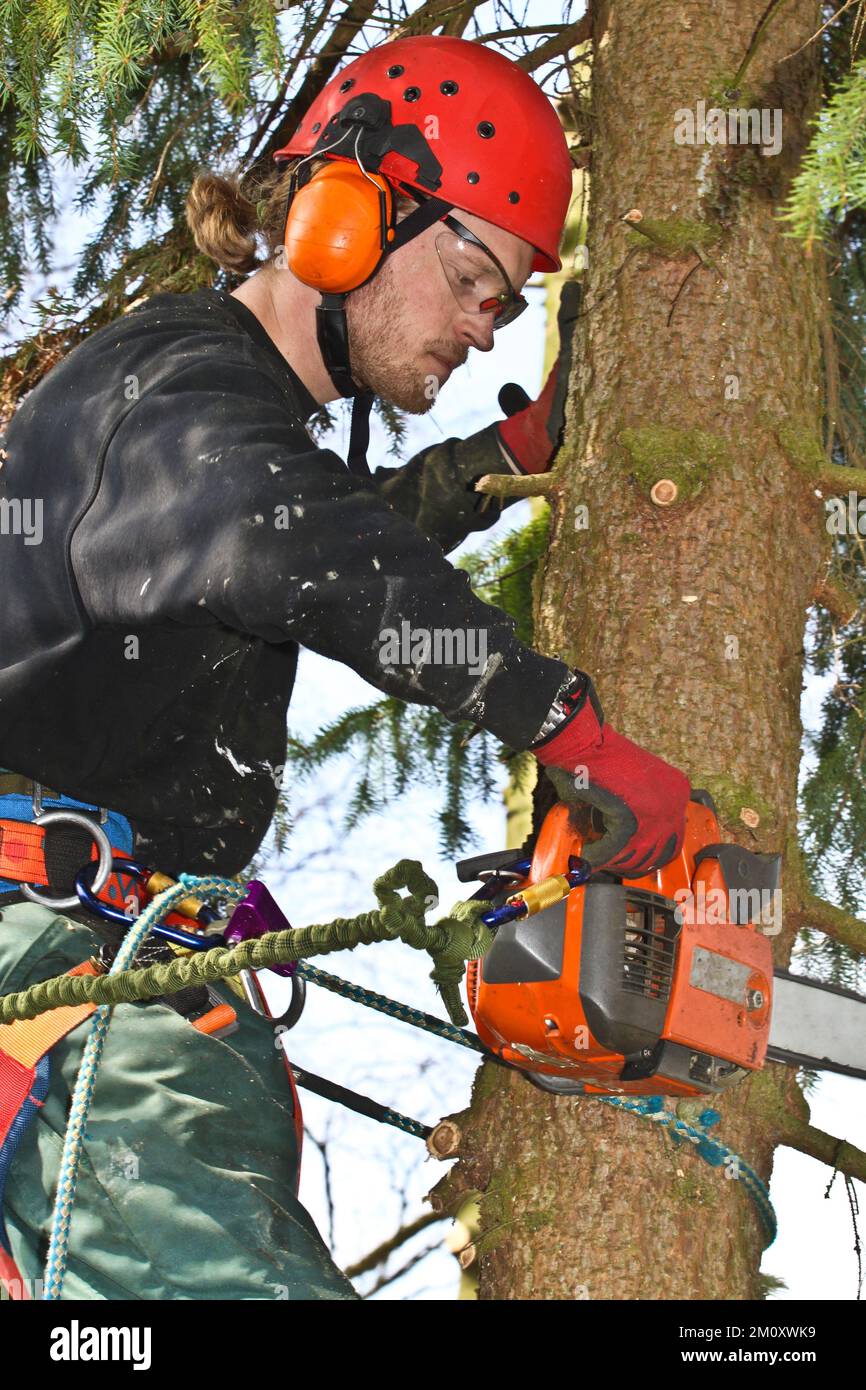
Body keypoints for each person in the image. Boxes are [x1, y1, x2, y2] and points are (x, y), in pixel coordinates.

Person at [0, 34, 690, 1300]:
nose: (483, 330)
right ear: (351, 213)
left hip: (96, 967)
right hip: (65, 969)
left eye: (507, 303)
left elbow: (324, 523)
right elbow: (304, 551)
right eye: (474, 278)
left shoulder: (206, 420)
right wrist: (570, 732)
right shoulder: (176, 390)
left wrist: (505, 450)